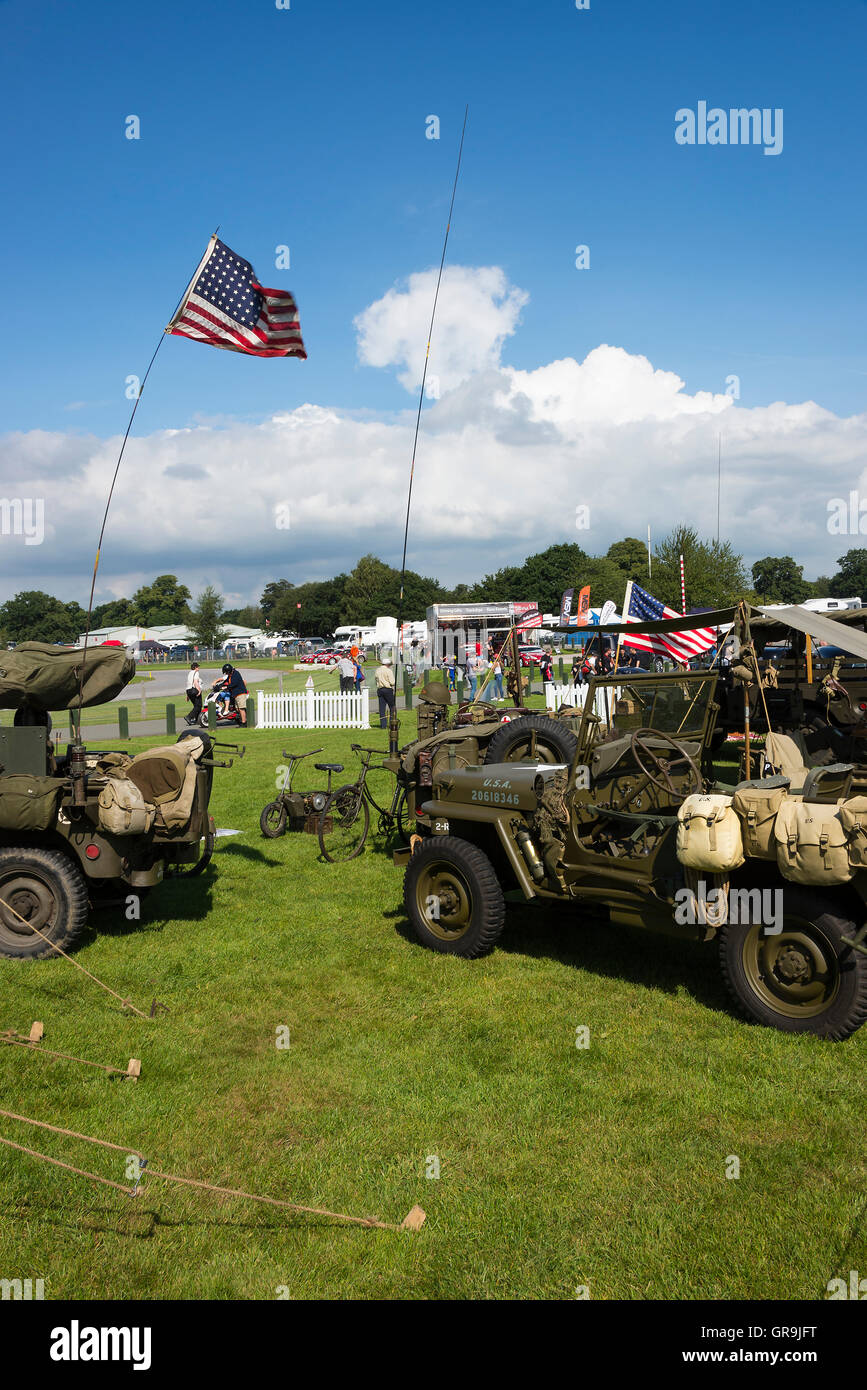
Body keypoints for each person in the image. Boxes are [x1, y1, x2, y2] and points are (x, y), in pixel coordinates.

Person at [215, 662, 249, 727]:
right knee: (237, 709)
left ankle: (244, 723)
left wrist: (226, 687)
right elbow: (226, 682)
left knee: (241, 708)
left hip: (240, 693)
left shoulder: (236, 674)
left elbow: (234, 684)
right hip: (236, 694)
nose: (226, 674)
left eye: (226, 672)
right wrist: (219, 686)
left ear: (229, 671)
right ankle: (241, 720)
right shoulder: (230, 675)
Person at [375, 653, 396, 729]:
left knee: (382, 708)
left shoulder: (377, 670)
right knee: (392, 707)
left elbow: (376, 680)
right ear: (387, 664)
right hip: (388, 689)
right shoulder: (388, 671)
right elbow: (392, 682)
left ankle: (383, 725)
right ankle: (392, 724)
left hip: (380, 689)